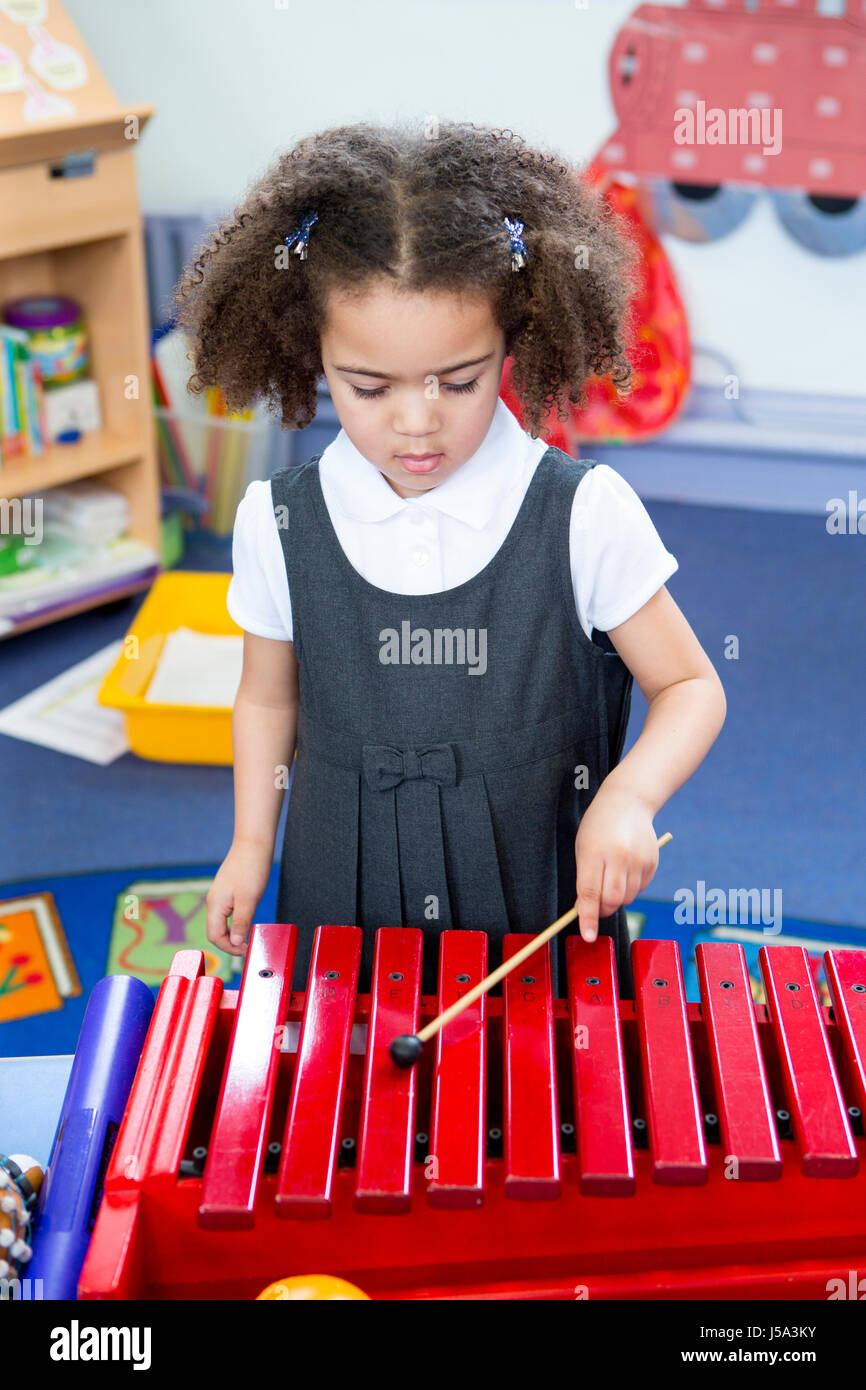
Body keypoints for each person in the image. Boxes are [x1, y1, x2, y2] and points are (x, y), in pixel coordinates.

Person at [174, 120, 726, 1000]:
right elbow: (265, 696)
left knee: (543, 1109)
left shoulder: (582, 513)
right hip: (336, 886)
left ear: (517, 341)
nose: (417, 422)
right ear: (310, 349)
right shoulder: (276, 521)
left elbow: (692, 688)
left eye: (459, 382)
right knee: (345, 1098)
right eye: (368, 387)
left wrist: (628, 798)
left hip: (533, 896)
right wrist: (249, 845)